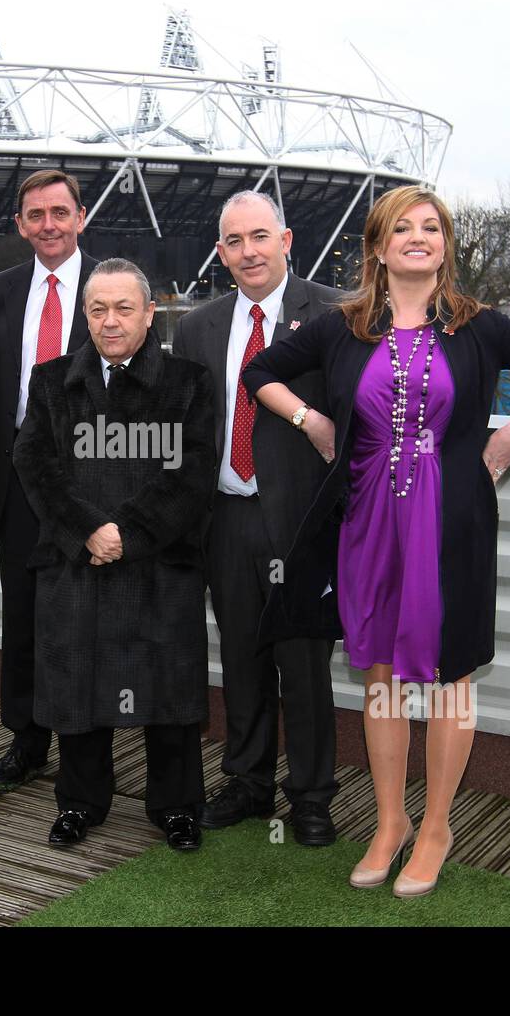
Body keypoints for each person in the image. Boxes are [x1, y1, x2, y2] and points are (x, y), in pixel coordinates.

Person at [243, 185, 510, 895]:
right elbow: (260, 374)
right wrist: (312, 421)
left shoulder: (480, 326)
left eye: (431, 227)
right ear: (376, 245)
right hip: (366, 521)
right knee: (380, 677)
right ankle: (390, 822)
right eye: (402, 226)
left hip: (451, 523)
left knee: (449, 677)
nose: (418, 236)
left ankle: (437, 827)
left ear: (445, 245)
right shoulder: (342, 329)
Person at [12, 258, 216, 851]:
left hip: (159, 561)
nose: (110, 321)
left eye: (124, 308)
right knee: (78, 681)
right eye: (98, 309)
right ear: (85, 313)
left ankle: (177, 807)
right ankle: (80, 802)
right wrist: (88, 531)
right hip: (78, 560)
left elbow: (192, 472)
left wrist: (127, 533)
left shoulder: (188, 382)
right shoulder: (51, 381)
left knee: (170, 686)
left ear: (150, 312)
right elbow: (36, 465)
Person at [172, 191, 342, 846]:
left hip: (301, 522)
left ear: (287, 240)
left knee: (303, 665)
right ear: (221, 252)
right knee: (240, 658)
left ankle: (311, 797)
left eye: (260, 237)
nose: (248, 252)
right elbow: (189, 425)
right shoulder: (198, 326)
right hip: (228, 517)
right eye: (235, 241)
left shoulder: (332, 312)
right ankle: (246, 782)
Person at [0, 170, 100, 785]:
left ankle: (87, 748)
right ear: (20, 224)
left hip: (91, 484)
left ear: (81, 216)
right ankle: (27, 741)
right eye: (36, 215)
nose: (48, 225)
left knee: (84, 617)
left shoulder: (111, 285)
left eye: (60, 212)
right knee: (23, 616)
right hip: (20, 481)